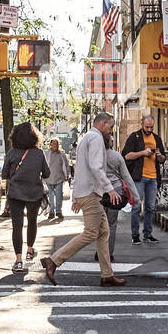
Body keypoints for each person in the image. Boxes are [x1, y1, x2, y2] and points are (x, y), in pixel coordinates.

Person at [40, 112, 125, 287]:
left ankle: (107, 275)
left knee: (104, 232)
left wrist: (76, 196)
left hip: (87, 192)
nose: (111, 131)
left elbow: (80, 169)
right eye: (110, 127)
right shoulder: (95, 139)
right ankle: (54, 261)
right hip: (91, 193)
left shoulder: (87, 138)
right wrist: (110, 189)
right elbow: (96, 167)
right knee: (91, 233)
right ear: (102, 124)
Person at [3, 122, 50, 272]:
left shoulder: (11, 153)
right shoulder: (38, 153)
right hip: (34, 193)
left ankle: (18, 260)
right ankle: (30, 250)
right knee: (32, 222)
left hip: (15, 194)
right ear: (34, 136)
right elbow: (47, 173)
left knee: (17, 227)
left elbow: (4, 174)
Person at [122, 115, 166, 244]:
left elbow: (163, 159)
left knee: (150, 207)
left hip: (153, 177)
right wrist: (143, 153)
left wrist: (159, 156)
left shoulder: (156, 138)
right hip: (139, 178)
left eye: (151, 127)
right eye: (147, 127)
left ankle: (148, 234)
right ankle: (135, 235)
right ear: (142, 124)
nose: (149, 129)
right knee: (136, 207)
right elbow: (127, 156)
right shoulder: (134, 137)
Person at [100, 132, 138, 265]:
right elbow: (126, 177)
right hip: (115, 191)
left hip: (99, 191)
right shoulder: (117, 156)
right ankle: (108, 254)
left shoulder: (95, 156)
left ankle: (100, 251)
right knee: (111, 224)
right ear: (110, 142)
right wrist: (136, 196)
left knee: (99, 224)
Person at [43, 138, 71, 222]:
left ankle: (58, 211)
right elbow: (43, 164)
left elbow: (66, 165)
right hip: (49, 178)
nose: (55, 145)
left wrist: (67, 175)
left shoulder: (62, 154)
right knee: (51, 196)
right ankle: (51, 212)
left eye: (57, 144)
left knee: (59, 196)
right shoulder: (46, 153)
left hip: (59, 178)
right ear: (50, 145)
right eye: (54, 144)